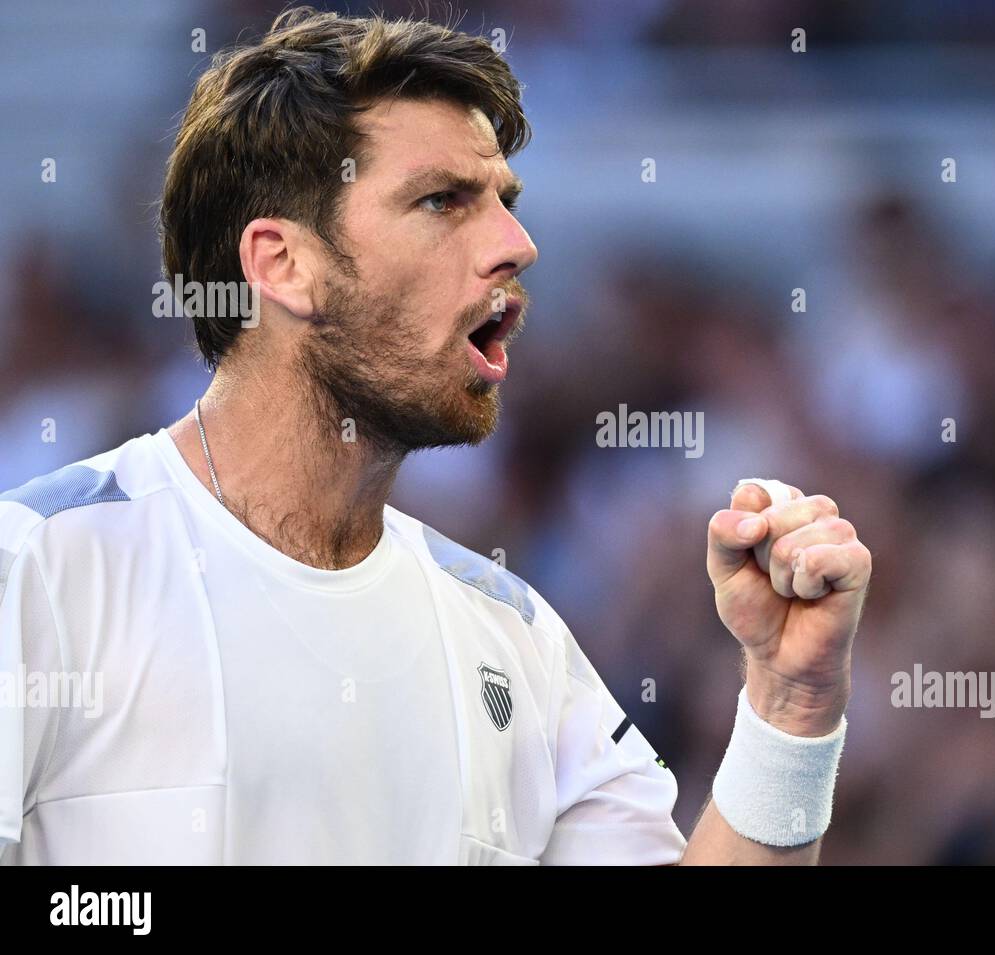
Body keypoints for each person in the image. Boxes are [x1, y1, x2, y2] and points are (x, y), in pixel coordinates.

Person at [0, 6, 871, 865]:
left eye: (504, 201)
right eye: (442, 201)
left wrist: (790, 704)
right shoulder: (35, 571)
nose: (517, 244)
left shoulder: (517, 638)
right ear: (281, 264)